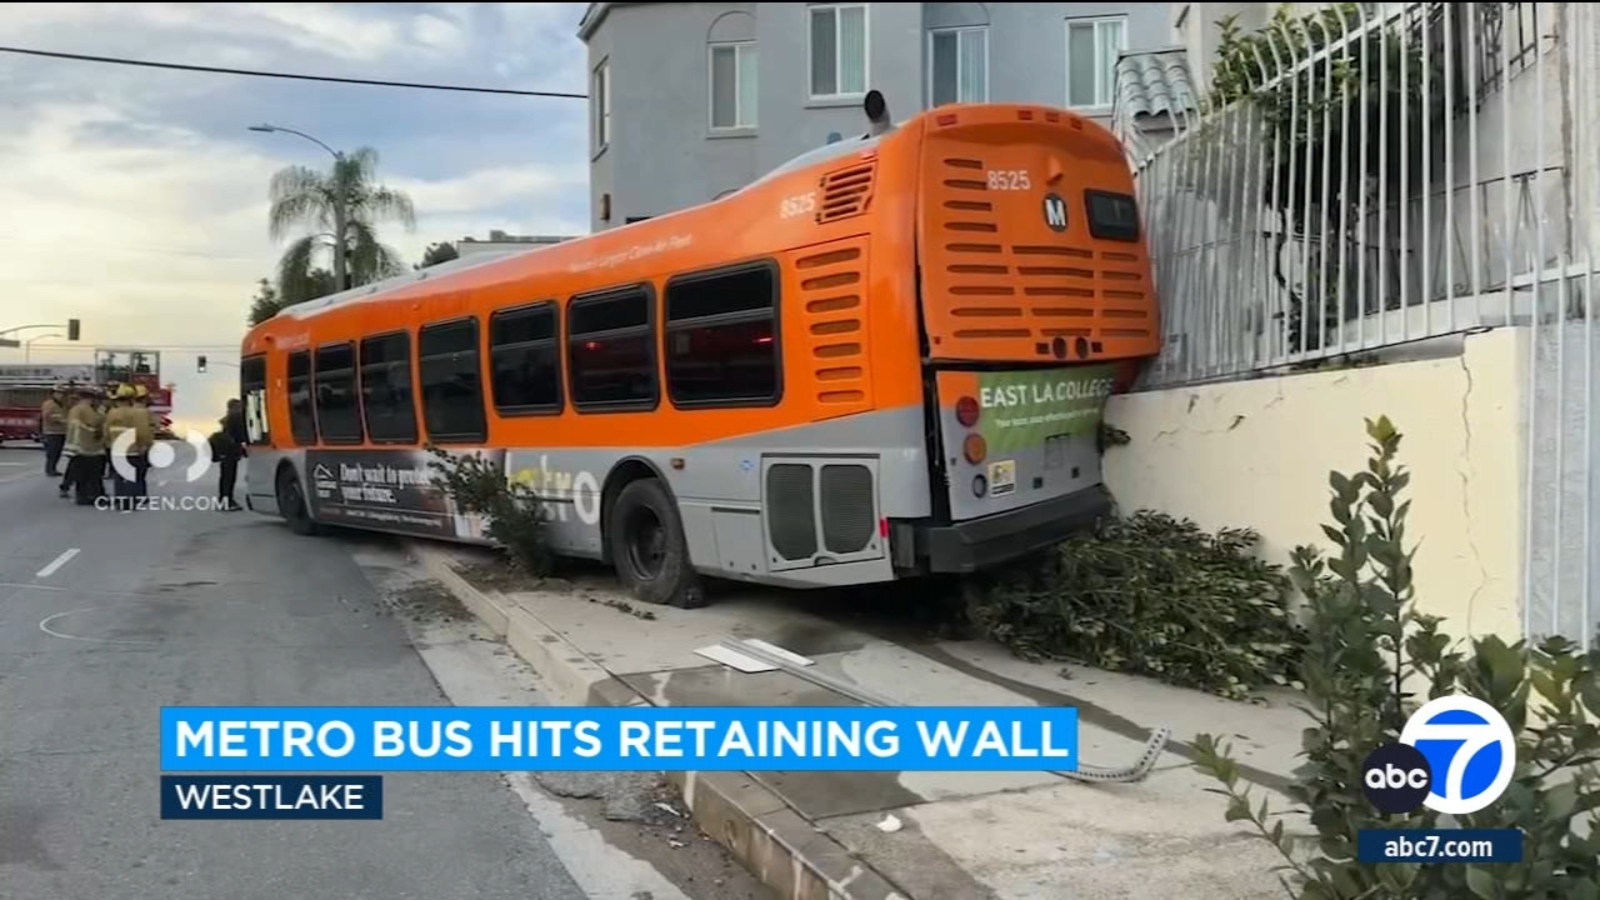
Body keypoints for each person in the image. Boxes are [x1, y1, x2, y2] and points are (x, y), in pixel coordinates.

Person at [105, 385, 152, 511]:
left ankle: (119, 500)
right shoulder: (135, 413)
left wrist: (108, 443)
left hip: (116, 449)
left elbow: (106, 431)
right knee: (131, 476)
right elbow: (142, 431)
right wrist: (145, 444)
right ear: (131, 399)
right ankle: (130, 501)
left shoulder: (111, 413)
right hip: (132, 449)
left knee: (119, 476)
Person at [65, 386, 106, 505]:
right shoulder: (86, 409)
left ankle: (83, 496)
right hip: (89, 447)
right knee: (94, 474)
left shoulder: (75, 409)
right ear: (91, 398)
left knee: (81, 475)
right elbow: (95, 422)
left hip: (79, 448)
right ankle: (95, 495)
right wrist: (101, 413)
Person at [211, 399, 248, 511]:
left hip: (225, 452)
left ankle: (225, 500)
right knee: (229, 478)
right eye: (239, 406)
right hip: (230, 451)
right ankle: (226, 501)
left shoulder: (228, 418)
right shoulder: (235, 417)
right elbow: (240, 434)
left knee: (225, 477)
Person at [40, 384, 68, 477]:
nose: (61, 395)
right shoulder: (49, 404)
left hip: (62, 431)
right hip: (51, 432)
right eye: (58, 393)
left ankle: (54, 468)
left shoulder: (64, 404)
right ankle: (50, 469)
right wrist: (60, 419)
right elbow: (47, 416)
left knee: (58, 452)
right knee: (52, 452)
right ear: (53, 394)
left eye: (62, 394)